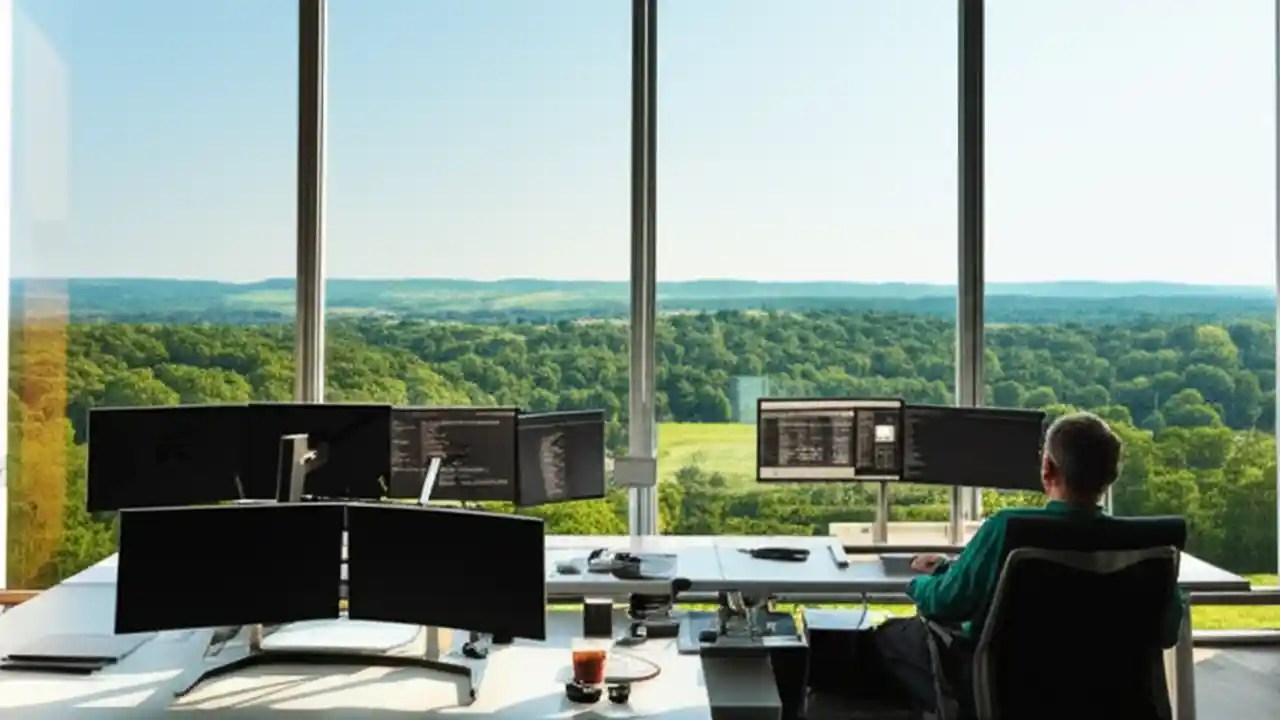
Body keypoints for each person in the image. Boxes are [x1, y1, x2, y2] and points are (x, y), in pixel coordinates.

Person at [872, 411, 1187, 715]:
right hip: (1108, 701)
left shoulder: (1009, 528)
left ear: (1047, 468)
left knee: (890, 639)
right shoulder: (1148, 546)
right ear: (1112, 475)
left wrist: (919, 584)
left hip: (1012, 696)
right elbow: (1167, 631)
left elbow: (948, 603)